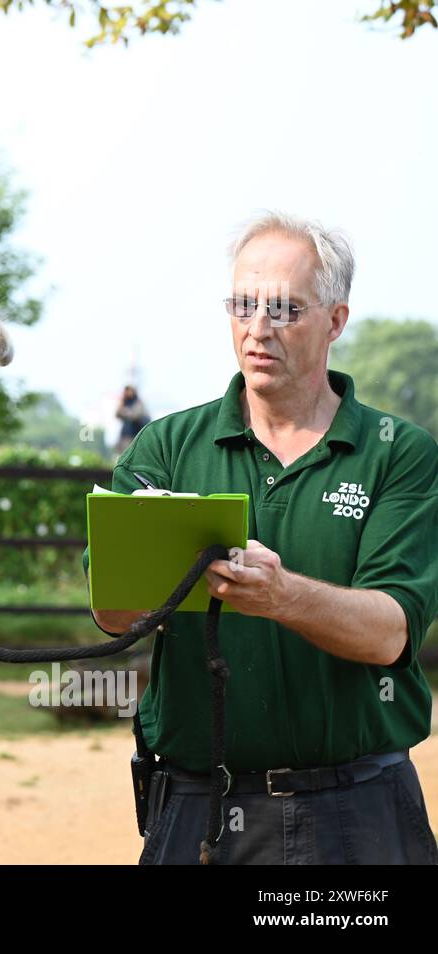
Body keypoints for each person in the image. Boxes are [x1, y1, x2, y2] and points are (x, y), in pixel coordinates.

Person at [83, 211, 438, 864]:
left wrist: (281, 596)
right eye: (243, 304)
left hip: (358, 810)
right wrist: (150, 554)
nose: (258, 328)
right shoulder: (166, 446)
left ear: (335, 320)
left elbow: (390, 634)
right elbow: (112, 615)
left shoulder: (400, 453)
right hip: (199, 807)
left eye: (284, 309)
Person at [114, 385, 150, 455]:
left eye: (129, 390)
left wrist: (125, 412)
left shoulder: (138, 402)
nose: (127, 392)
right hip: (125, 434)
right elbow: (117, 414)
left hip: (136, 434)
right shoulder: (124, 402)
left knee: (135, 454)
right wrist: (122, 405)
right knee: (124, 454)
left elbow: (135, 415)